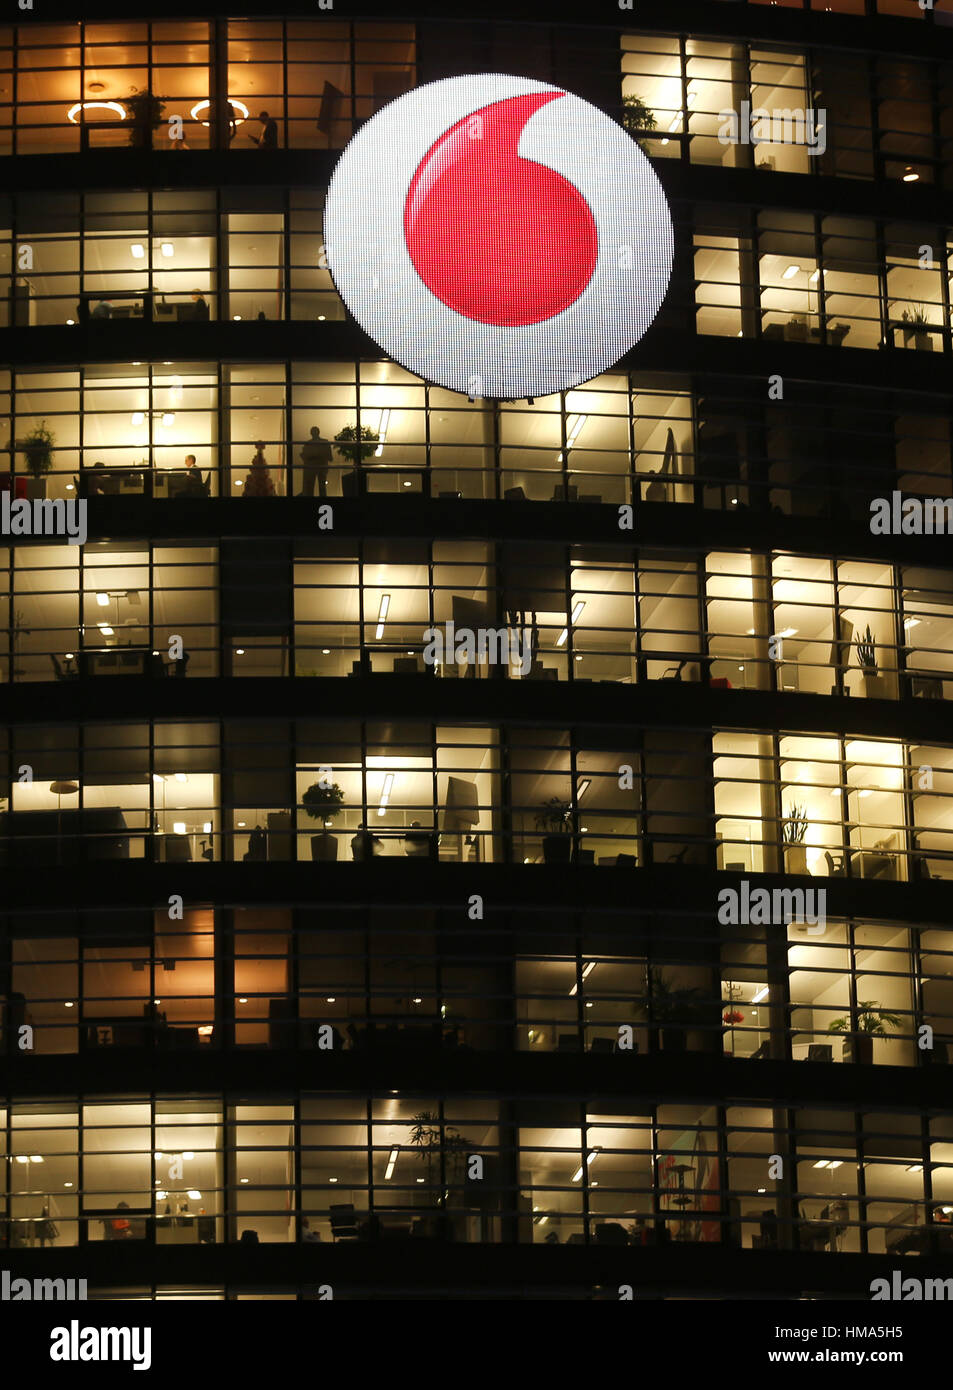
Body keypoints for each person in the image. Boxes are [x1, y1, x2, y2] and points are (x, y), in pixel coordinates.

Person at [298, 426, 333, 498]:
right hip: (321, 468)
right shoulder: (325, 442)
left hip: (313, 468)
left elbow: (305, 457)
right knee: (321, 488)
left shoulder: (308, 443)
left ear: (311, 433)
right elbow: (330, 457)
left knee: (311, 489)